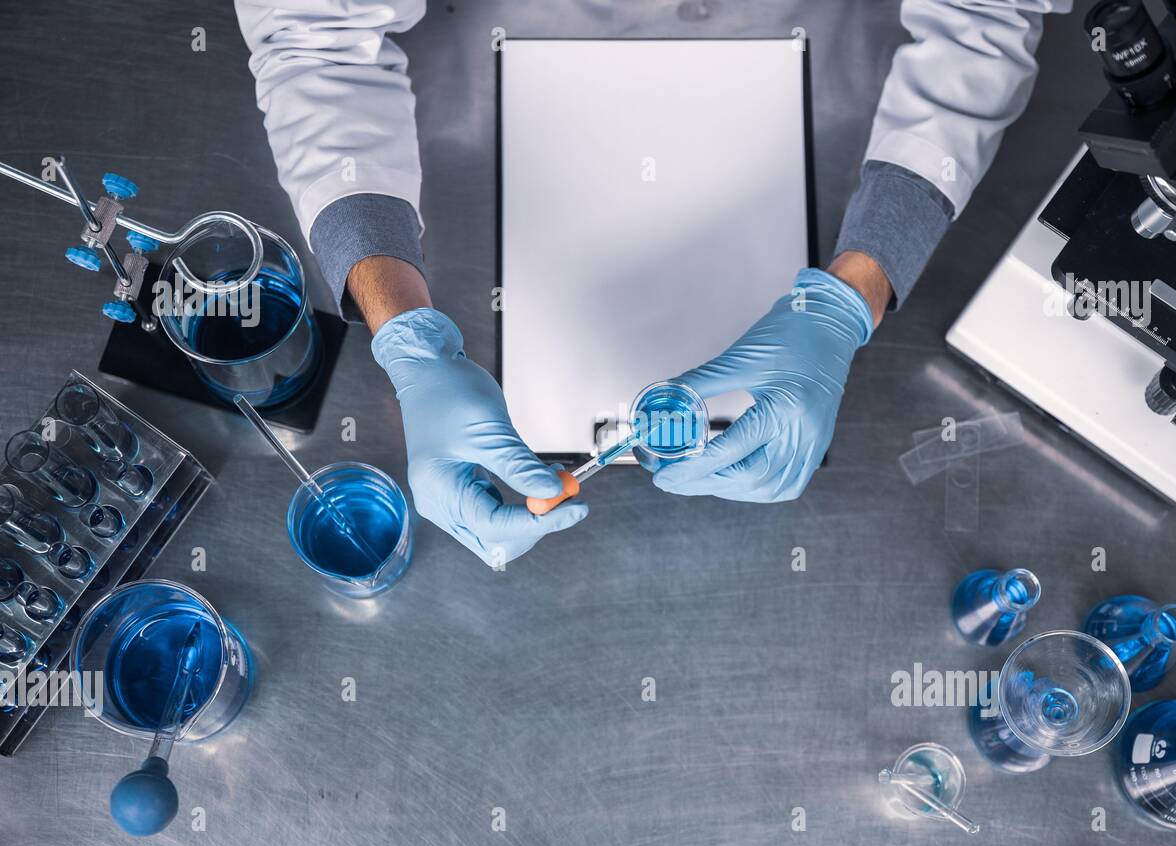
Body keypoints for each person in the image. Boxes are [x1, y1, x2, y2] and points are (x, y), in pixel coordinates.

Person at [235, 0, 1071, 566]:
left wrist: (858, 288)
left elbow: (985, 21)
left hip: (827, 47)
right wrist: (404, 335)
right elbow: (315, 40)